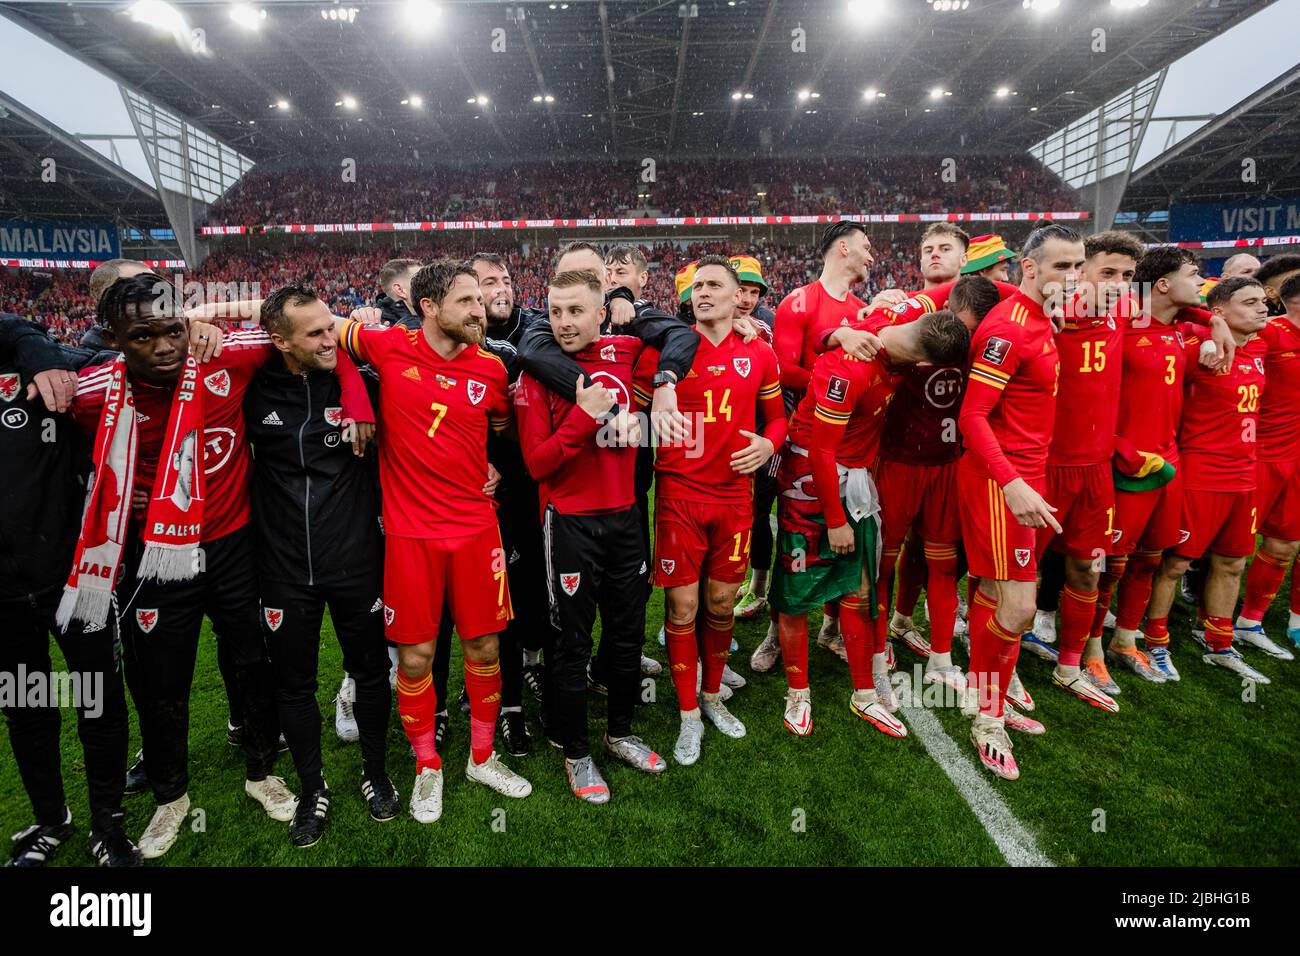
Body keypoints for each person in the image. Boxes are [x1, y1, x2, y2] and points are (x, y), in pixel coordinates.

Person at [58, 274, 373, 857]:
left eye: (173, 330)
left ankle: (261, 770)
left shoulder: (230, 353)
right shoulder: (89, 392)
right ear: (113, 340)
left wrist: (208, 313)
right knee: (160, 682)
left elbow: (313, 331)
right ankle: (170, 795)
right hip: (154, 557)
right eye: (143, 336)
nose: (163, 347)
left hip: (236, 545)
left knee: (252, 661)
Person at [336, 259, 531, 824]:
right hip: (410, 535)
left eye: (481, 299)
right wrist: (355, 400)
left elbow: (500, 433)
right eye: (468, 301)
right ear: (428, 306)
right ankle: (427, 766)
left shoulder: (493, 369)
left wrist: (493, 467)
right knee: (417, 657)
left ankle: (481, 756)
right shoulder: (387, 345)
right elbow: (321, 331)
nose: (480, 309)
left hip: (477, 530)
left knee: (486, 648)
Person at [771, 301, 972, 739]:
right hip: (809, 486)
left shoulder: (888, 325)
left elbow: (825, 331)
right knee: (796, 593)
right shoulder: (850, 372)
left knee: (859, 589)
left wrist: (835, 333)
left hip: (857, 482)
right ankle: (798, 692)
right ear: (921, 363)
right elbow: (822, 452)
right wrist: (836, 519)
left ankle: (863, 692)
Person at [246, 286, 399, 847]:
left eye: (329, 326)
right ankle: (312, 789)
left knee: (369, 672)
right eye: (313, 333)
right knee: (294, 684)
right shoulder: (253, 384)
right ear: (279, 341)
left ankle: (376, 772)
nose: (327, 339)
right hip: (283, 567)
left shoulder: (361, 380)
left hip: (356, 559)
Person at [515, 268, 667, 802]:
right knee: (572, 643)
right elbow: (536, 464)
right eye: (554, 312)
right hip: (571, 525)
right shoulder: (537, 374)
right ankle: (577, 753)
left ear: (602, 312)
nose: (563, 323)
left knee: (626, 636)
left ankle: (619, 731)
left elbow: (679, 342)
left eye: (575, 311)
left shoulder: (626, 352)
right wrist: (584, 419)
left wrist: (647, 413)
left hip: (627, 519)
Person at [634, 256, 786, 765]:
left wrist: (768, 446)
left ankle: (713, 694)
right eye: (697, 285)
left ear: (736, 293)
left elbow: (777, 420)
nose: (703, 292)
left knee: (721, 606)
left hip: (735, 498)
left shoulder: (757, 351)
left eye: (714, 285)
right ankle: (688, 715)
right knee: (682, 609)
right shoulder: (665, 349)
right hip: (678, 495)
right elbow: (632, 423)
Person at [0, 317, 137, 866]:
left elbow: (116, 362)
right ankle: (50, 819)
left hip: (73, 576)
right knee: (25, 707)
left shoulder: (44, 365)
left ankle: (109, 826)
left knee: (97, 700)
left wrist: (35, 347)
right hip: (3, 598)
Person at [957, 223, 1086, 780]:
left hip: (1022, 476)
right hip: (998, 479)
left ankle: (979, 690)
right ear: (1030, 269)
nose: (1074, 277)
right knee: (1020, 606)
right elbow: (971, 417)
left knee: (993, 591)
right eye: (1062, 267)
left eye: (1079, 266)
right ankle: (987, 716)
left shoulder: (1033, 314)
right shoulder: (1010, 330)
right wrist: (1011, 481)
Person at [1029, 231, 1144, 713]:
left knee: (1086, 569)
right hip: (1041, 467)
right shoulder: (1041, 314)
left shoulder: (1124, 310)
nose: (1119, 285)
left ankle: (1071, 666)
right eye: (1108, 273)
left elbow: (1183, 308)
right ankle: (1000, 665)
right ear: (1079, 271)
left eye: (1128, 277)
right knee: (1017, 576)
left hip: (1095, 472)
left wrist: (1212, 322)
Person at [1142, 277, 1273, 683]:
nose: (1263, 308)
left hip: (1245, 473)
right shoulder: (1195, 351)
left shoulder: (1263, 347)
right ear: (1218, 312)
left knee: (1233, 561)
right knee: (1177, 562)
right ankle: (1155, 640)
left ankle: (1218, 640)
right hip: (1201, 473)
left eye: (1262, 301)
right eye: (1249, 303)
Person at [761, 221, 874, 670]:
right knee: (794, 538)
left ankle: (830, 628)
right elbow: (782, 368)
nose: (871, 257)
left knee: (842, 535)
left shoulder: (864, 308)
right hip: (802, 446)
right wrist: (836, 387)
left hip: (851, 450)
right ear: (842, 248)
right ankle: (775, 632)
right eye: (865, 248)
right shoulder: (800, 302)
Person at [1235, 273, 1300, 655]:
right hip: (1259, 455)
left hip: (1296, 460)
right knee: (1230, 548)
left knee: (1286, 542)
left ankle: (1251, 621)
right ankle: (1208, 622)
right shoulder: (1272, 333)